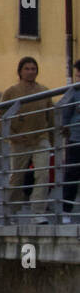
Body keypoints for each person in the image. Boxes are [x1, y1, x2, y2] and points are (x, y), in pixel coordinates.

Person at [0, 56, 56, 222]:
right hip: (19, 140)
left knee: (43, 173)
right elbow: (0, 116)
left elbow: (50, 116)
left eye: (33, 69)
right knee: (17, 176)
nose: (31, 72)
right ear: (20, 72)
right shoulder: (11, 91)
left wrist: (52, 141)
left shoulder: (44, 91)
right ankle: (12, 209)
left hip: (41, 137)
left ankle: (38, 211)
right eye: (27, 69)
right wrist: (12, 135)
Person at [61, 59, 80, 221]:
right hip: (75, 140)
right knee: (71, 175)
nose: (78, 77)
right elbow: (64, 116)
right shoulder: (73, 92)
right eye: (77, 75)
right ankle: (66, 209)